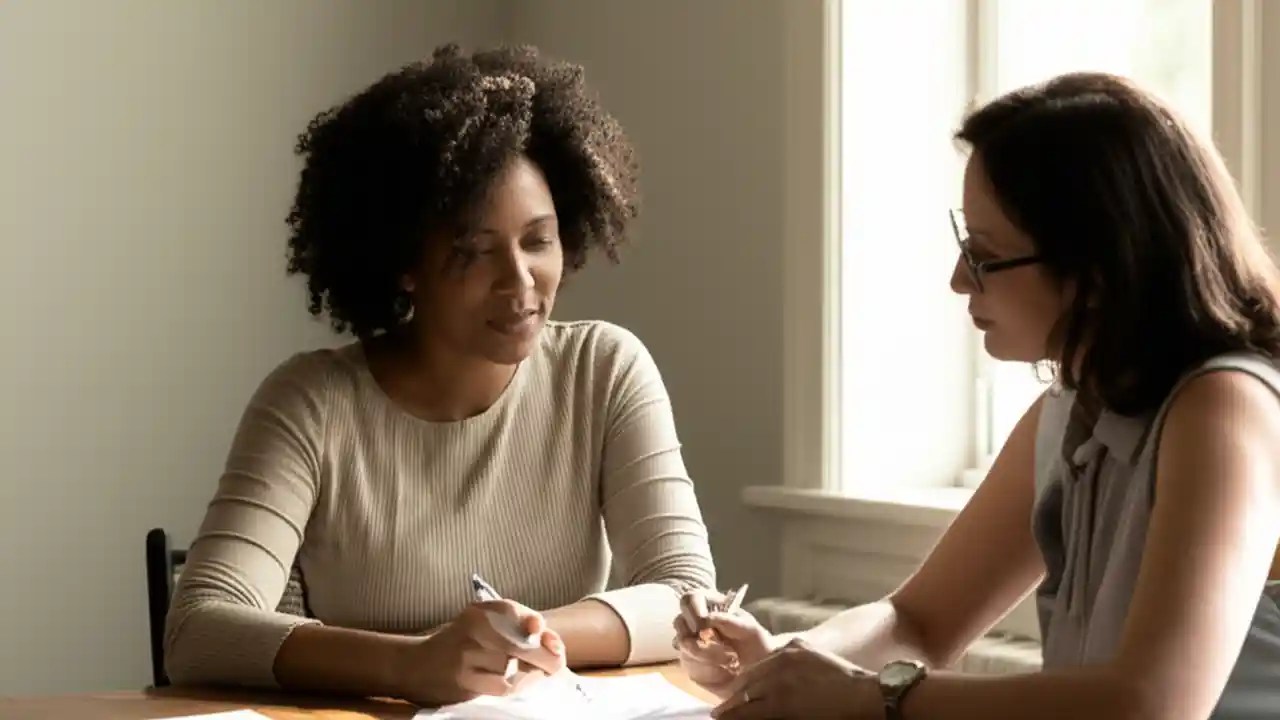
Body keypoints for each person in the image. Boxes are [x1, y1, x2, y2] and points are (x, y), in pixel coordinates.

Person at [675, 72, 1280, 719]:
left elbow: (1152, 705)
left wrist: (864, 696)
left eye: (984, 254)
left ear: (1098, 269)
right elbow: (918, 620)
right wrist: (785, 664)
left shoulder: (1226, 408)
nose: (959, 279)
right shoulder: (1071, 407)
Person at [164, 44, 716, 707]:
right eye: (474, 252)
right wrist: (415, 664)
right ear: (403, 263)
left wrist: (515, 638)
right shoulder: (310, 404)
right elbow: (198, 631)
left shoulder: (604, 371)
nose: (520, 281)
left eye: (537, 241)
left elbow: (688, 596)